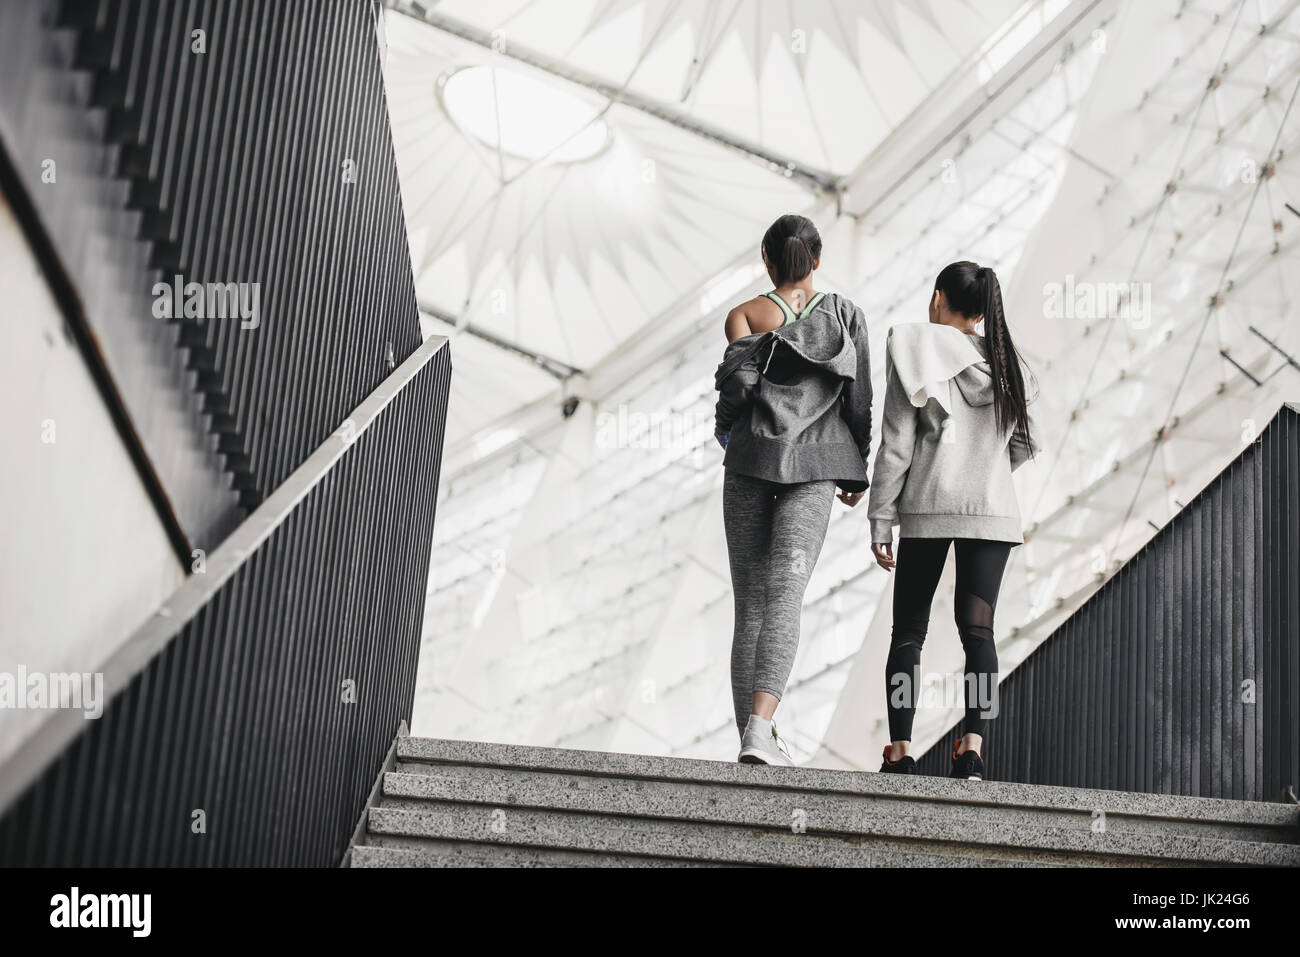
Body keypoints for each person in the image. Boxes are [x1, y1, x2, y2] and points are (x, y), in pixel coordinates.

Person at [867, 261, 1039, 781]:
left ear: (939, 297)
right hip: (993, 512)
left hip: (928, 509)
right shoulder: (1011, 363)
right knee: (978, 631)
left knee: (908, 633)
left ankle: (900, 749)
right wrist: (984, 474)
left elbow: (897, 443)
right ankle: (972, 749)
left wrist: (881, 519)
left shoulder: (914, 345)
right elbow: (1027, 441)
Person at [713, 213, 873, 766]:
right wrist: (858, 466)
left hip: (751, 460)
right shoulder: (846, 316)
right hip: (820, 465)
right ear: (818, 259)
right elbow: (860, 398)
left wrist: (723, 427)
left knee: (750, 605)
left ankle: (749, 741)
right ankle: (762, 728)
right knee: (787, 593)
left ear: (767, 261)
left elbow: (737, 387)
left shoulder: (744, 314)